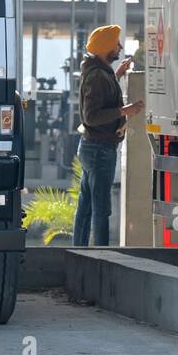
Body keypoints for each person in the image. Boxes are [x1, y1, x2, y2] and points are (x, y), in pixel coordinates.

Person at [71, 24, 143, 246]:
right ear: (104, 48)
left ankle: (79, 250)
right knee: (101, 209)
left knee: (87, 206)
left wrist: (117, 75)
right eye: (116, 43)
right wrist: (125, 111)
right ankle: (102, 256)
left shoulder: (100, 72)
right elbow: (91, 117)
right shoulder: (97, 76)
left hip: (94, 147)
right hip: (100, 150)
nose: (120, 46)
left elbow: (102, 95)